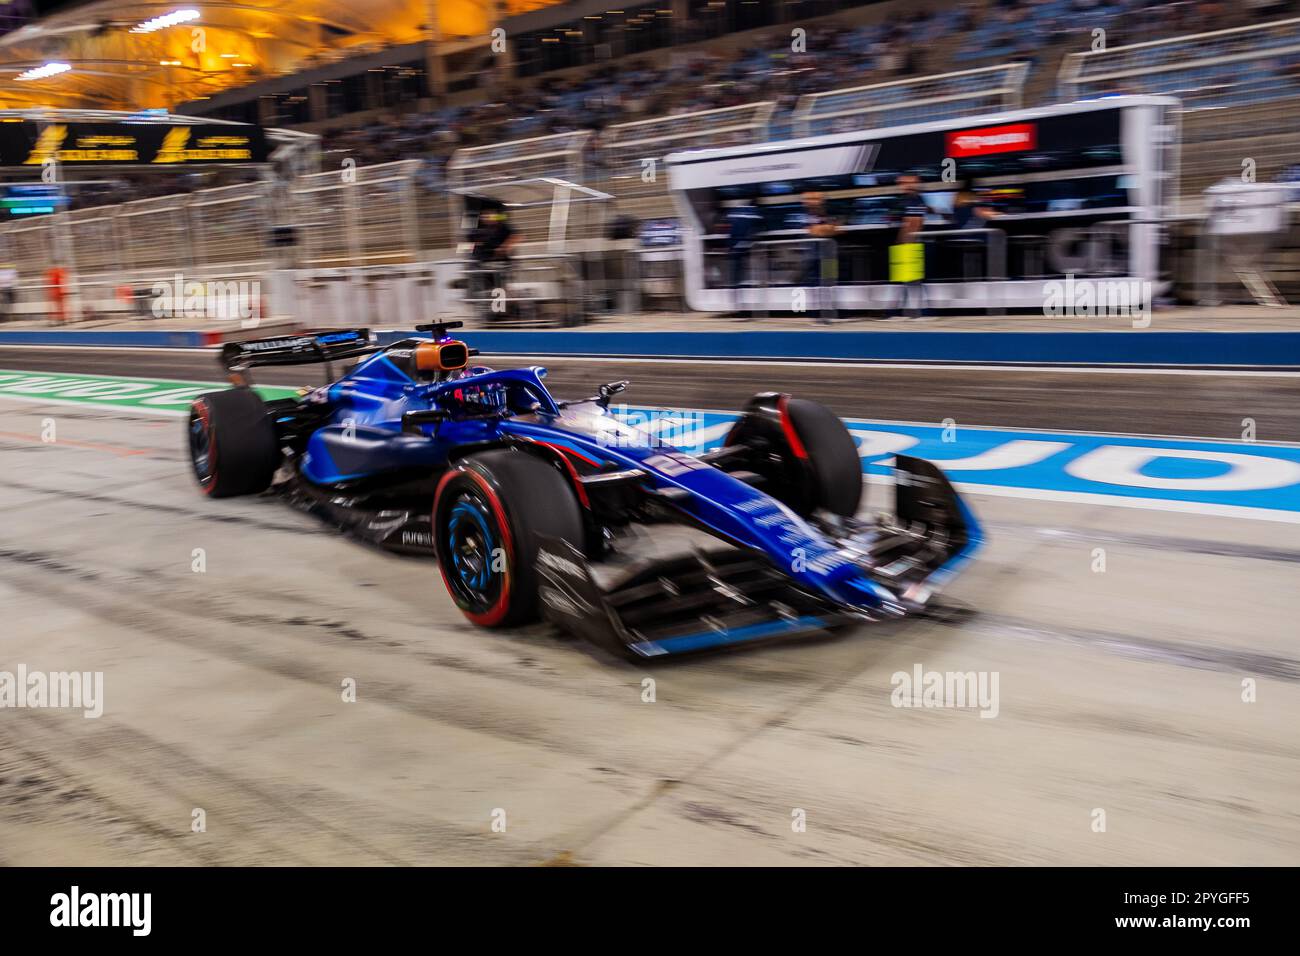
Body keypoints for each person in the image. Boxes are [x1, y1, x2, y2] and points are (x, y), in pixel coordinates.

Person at [890, 174, 929, 319]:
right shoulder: (907, 199)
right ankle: (904, 312)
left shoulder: (915, 199)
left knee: (913, 280)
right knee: (906, 280)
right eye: (902, 182)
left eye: (908, 182)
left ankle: (919, 312)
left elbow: (914, 223)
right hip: (904, 244)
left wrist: (905, 244)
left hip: (909, 245)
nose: (905, 185)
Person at [800, 191, 839, 308]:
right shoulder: (805, 216)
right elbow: (811, 231)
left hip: (828, 255)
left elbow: (834, 229)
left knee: (829, 282)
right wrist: (821, 230)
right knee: (814, 283)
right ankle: (817, 311)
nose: (810, 203)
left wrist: (818, 230)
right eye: (808, 200)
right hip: (813, 255)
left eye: (814, 200)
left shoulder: (829, 214)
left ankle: (830, 309)